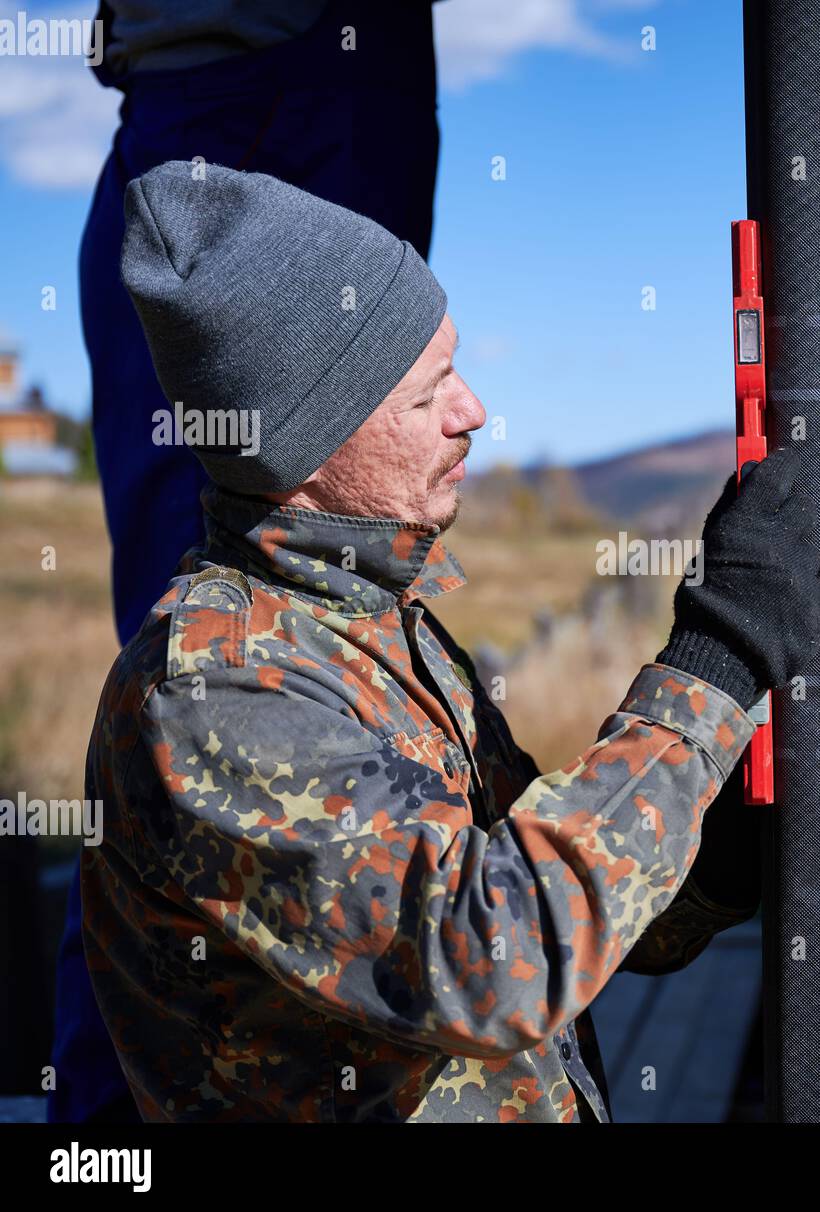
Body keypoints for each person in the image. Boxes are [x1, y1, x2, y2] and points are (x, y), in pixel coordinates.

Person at [80, 162, 820, 1122]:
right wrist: (714, 666)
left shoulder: (380, 629)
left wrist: (718, 845)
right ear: (313, 437)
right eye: (429, 388)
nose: (472, 408)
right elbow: (493, 963)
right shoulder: (215, 691)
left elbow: (570, 919)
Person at [54, 0, 440, 1122]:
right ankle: (116, 1122)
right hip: (202, 84)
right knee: (201, 658)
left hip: (296, 65)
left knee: (293, 618)